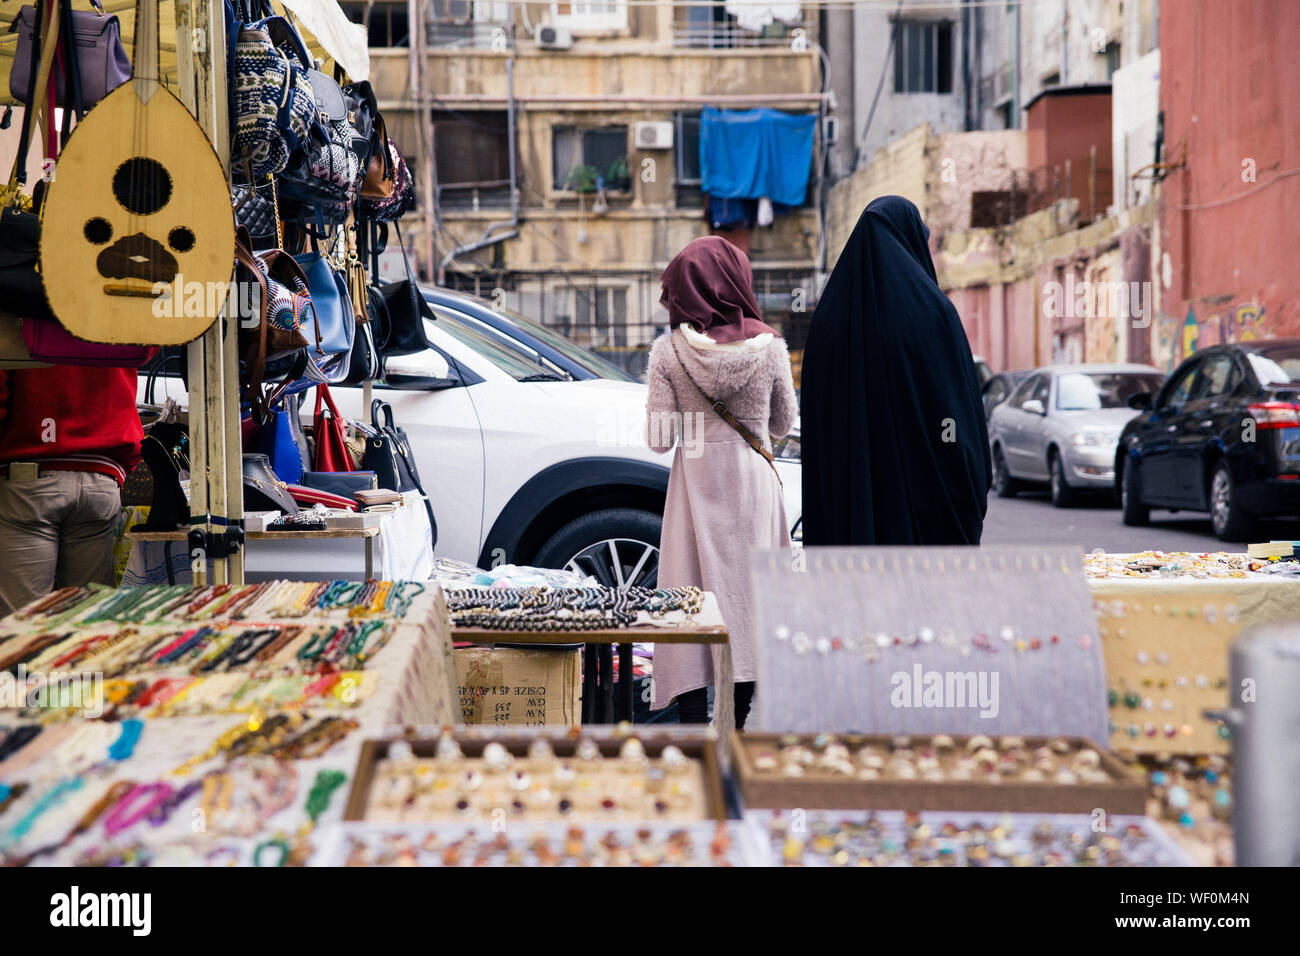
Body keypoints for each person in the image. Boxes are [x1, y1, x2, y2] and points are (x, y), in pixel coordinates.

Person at [645, 236, 797, 728]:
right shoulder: (771, 347)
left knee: (690, 599)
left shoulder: (668, 353)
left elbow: (658, 438)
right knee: (747, 602)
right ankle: (735, 721)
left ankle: (691, 721)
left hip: (694, 489)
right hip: (753, 486)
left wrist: (697, 425)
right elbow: (781, 424)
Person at [800, 195, 991, 546]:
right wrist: (967, 490)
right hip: (926, 528)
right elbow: (958, 424)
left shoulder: (827, 321)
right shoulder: (934, 316)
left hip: (845, 525)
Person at [0, 364, 147, 616]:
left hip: (29, 473)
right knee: (89, 620)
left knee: (23, 627)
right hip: (102, 475)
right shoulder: (123, 324)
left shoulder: (20, 324)